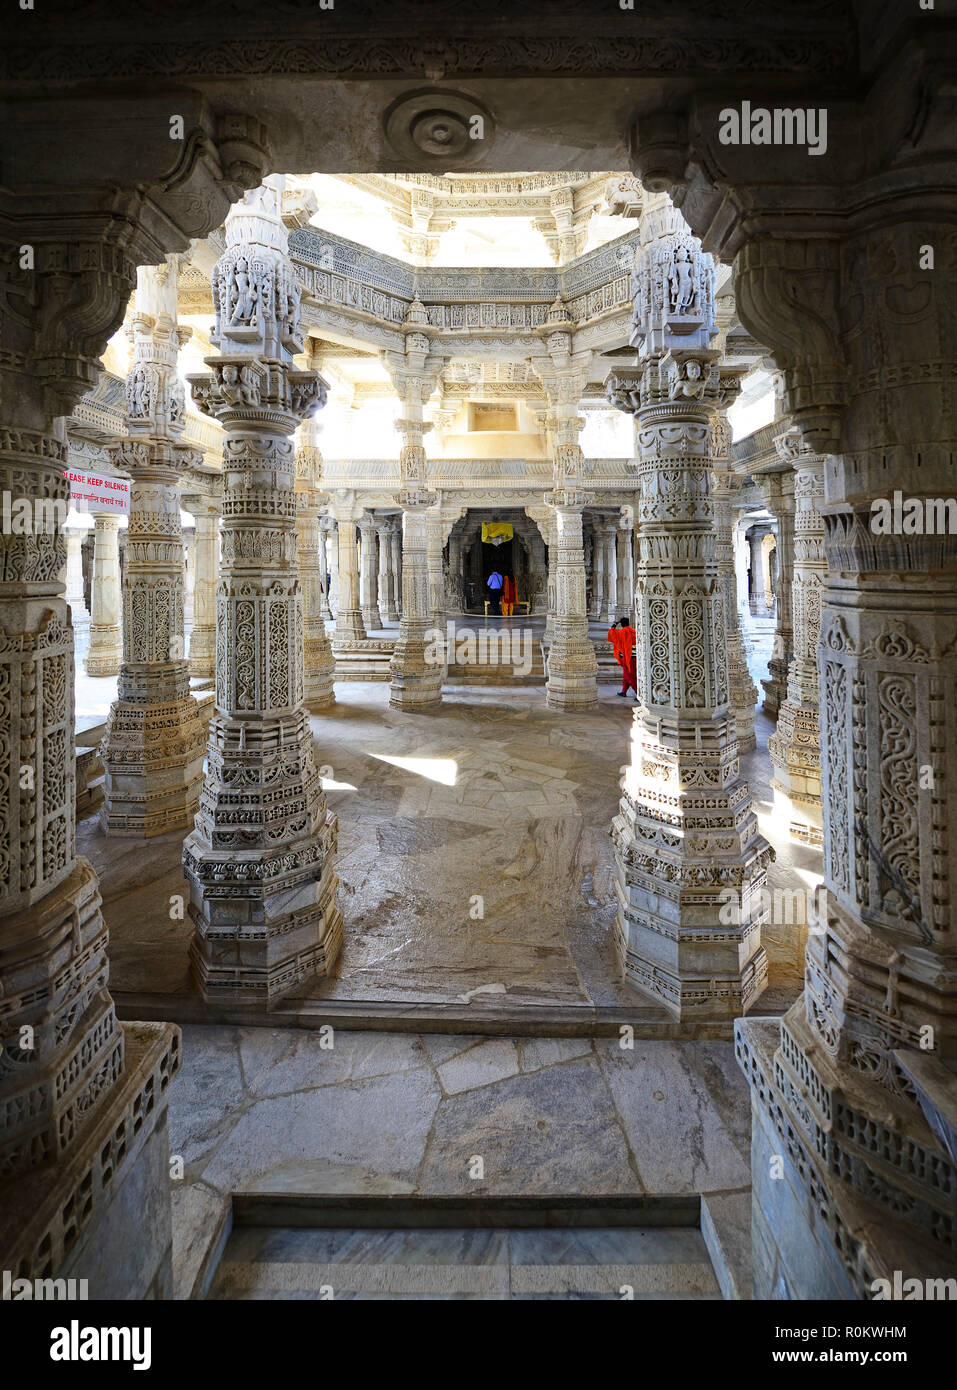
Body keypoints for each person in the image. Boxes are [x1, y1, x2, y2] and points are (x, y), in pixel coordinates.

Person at [608, 616, 638, 698]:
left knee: (630, 677)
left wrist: (615, 624)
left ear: (621, 624)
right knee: (626, 675)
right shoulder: (634, 631)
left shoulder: (621, 632)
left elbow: (611, 634)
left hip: (627, 659)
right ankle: (624, 691)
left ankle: (639, 695)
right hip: (636, 658)